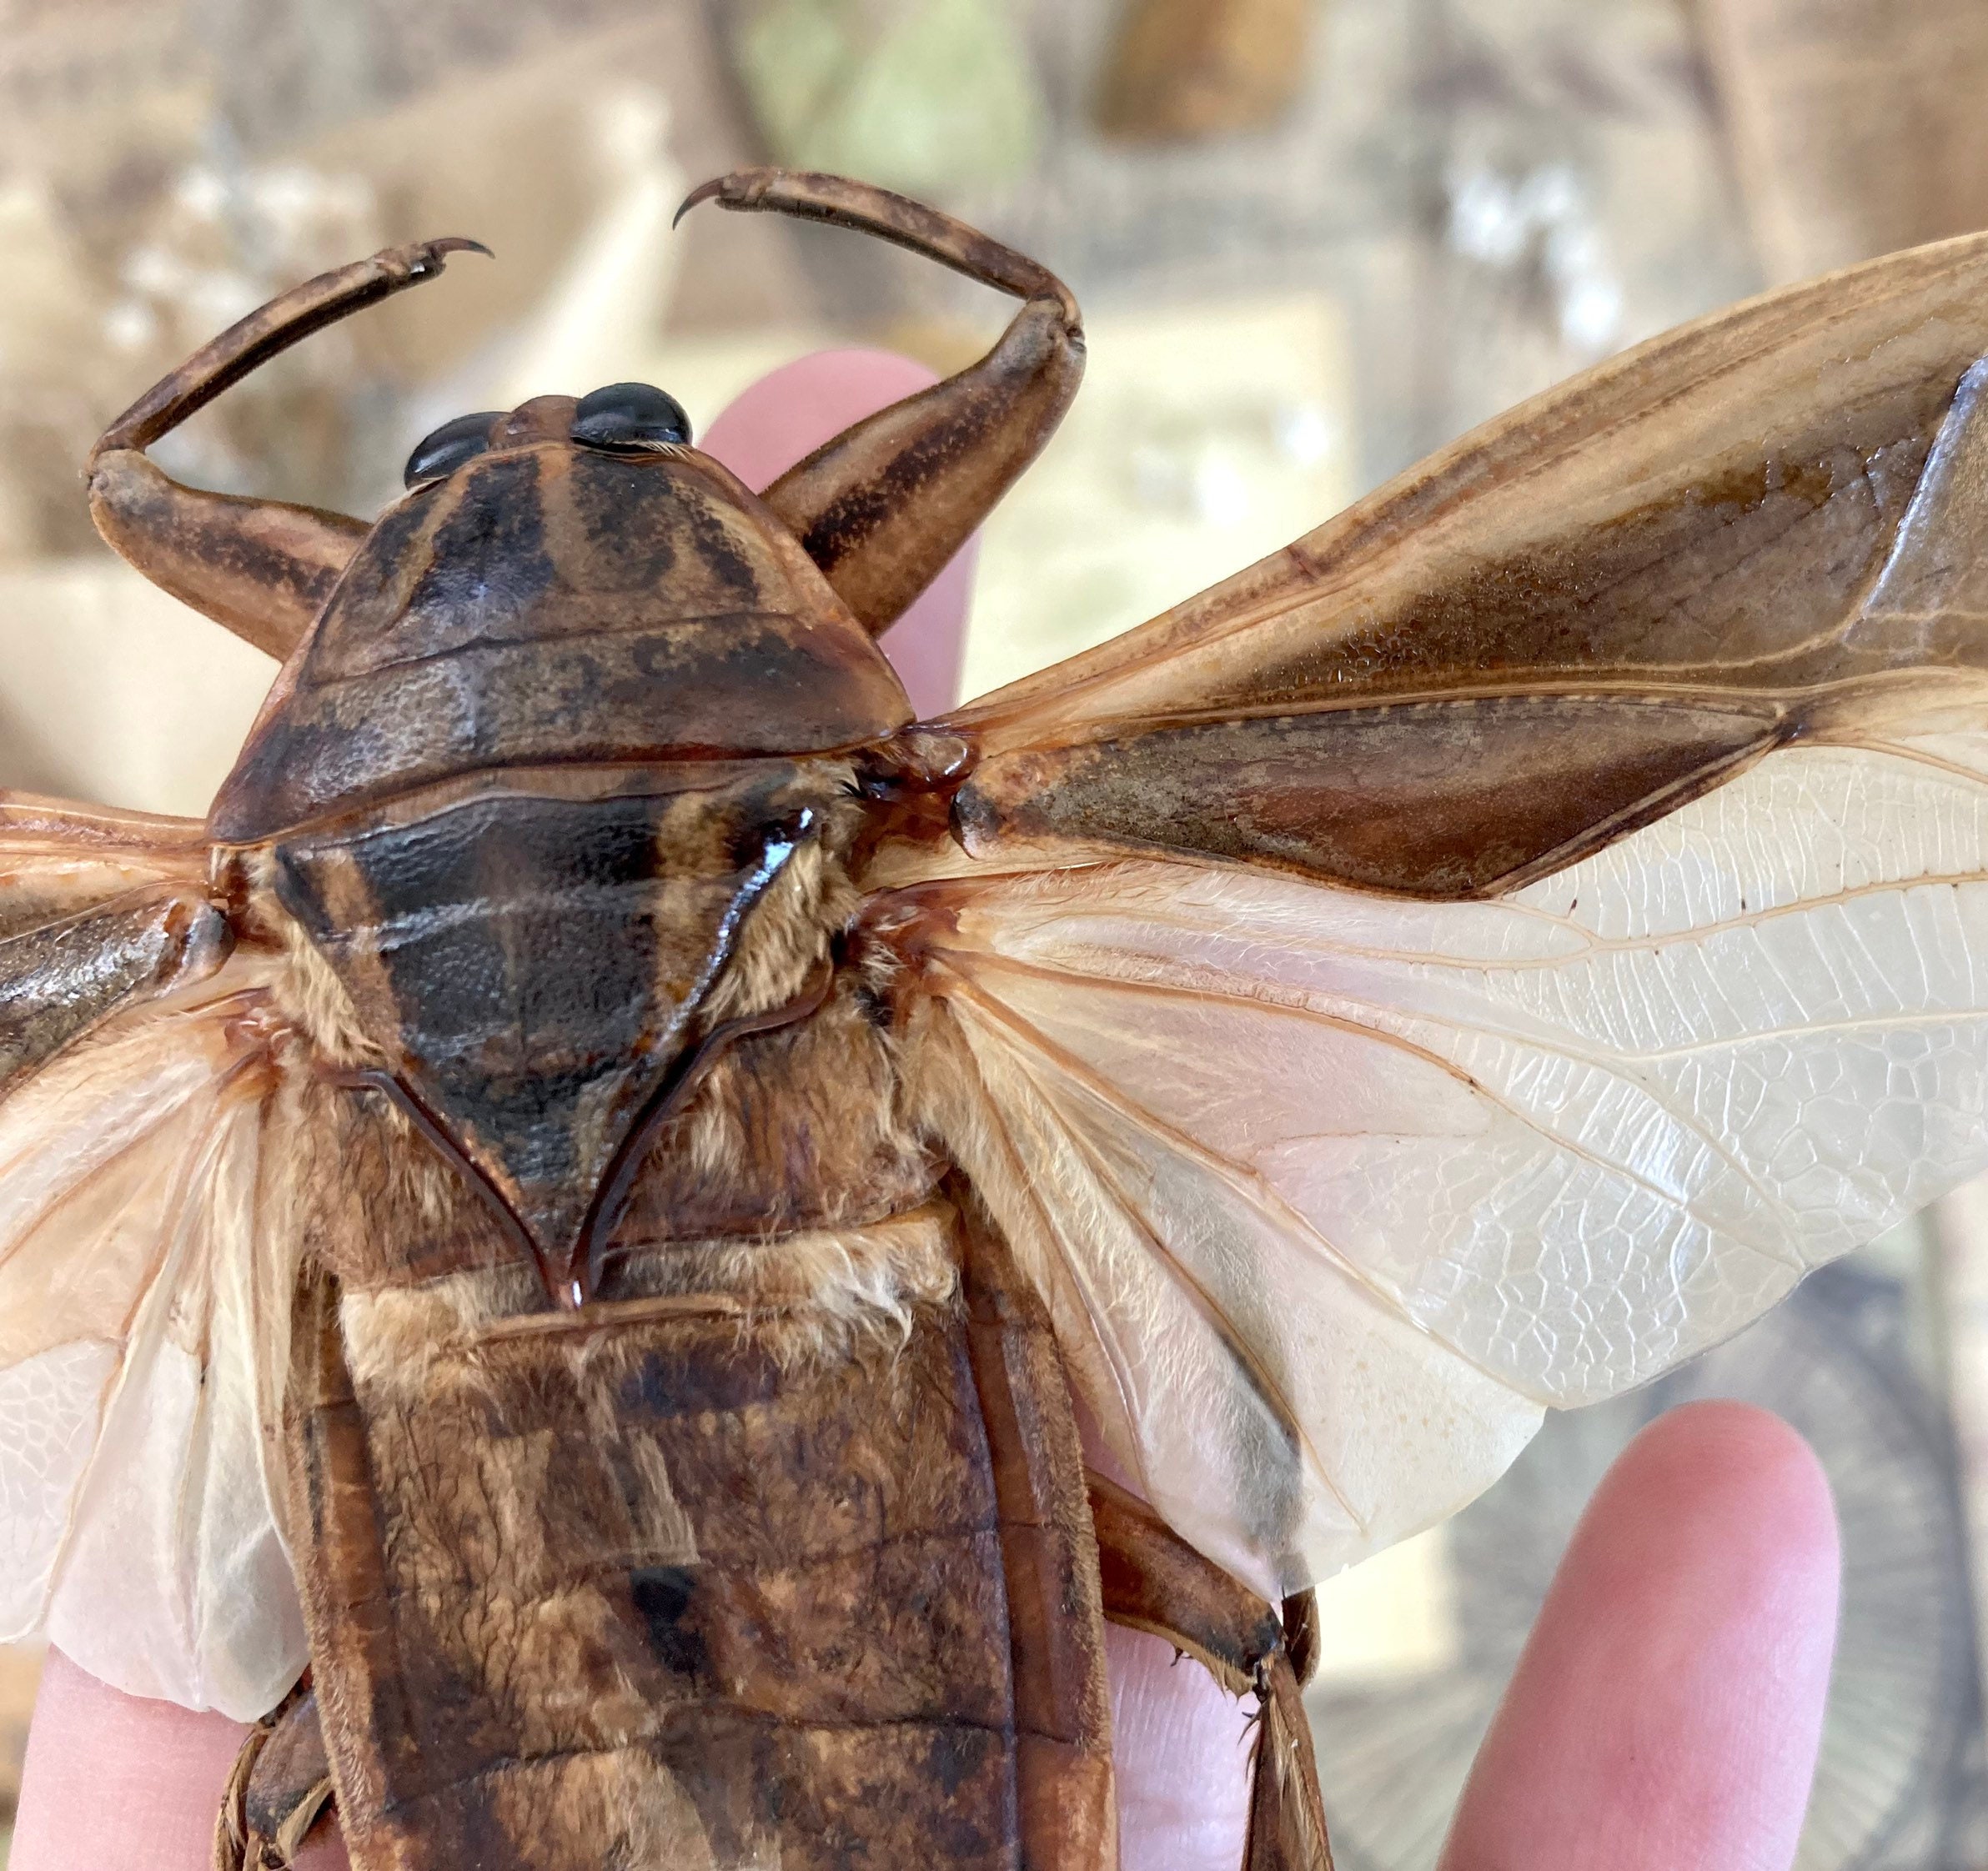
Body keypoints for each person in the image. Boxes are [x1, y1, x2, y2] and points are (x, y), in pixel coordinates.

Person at [8, 354, 1842, 1871]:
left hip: (473, 1641)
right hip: (918, 1623)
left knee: (256, 1796)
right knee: (1228, 1632)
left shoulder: (237, 983)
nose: (538, 444)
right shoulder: (914, 880)